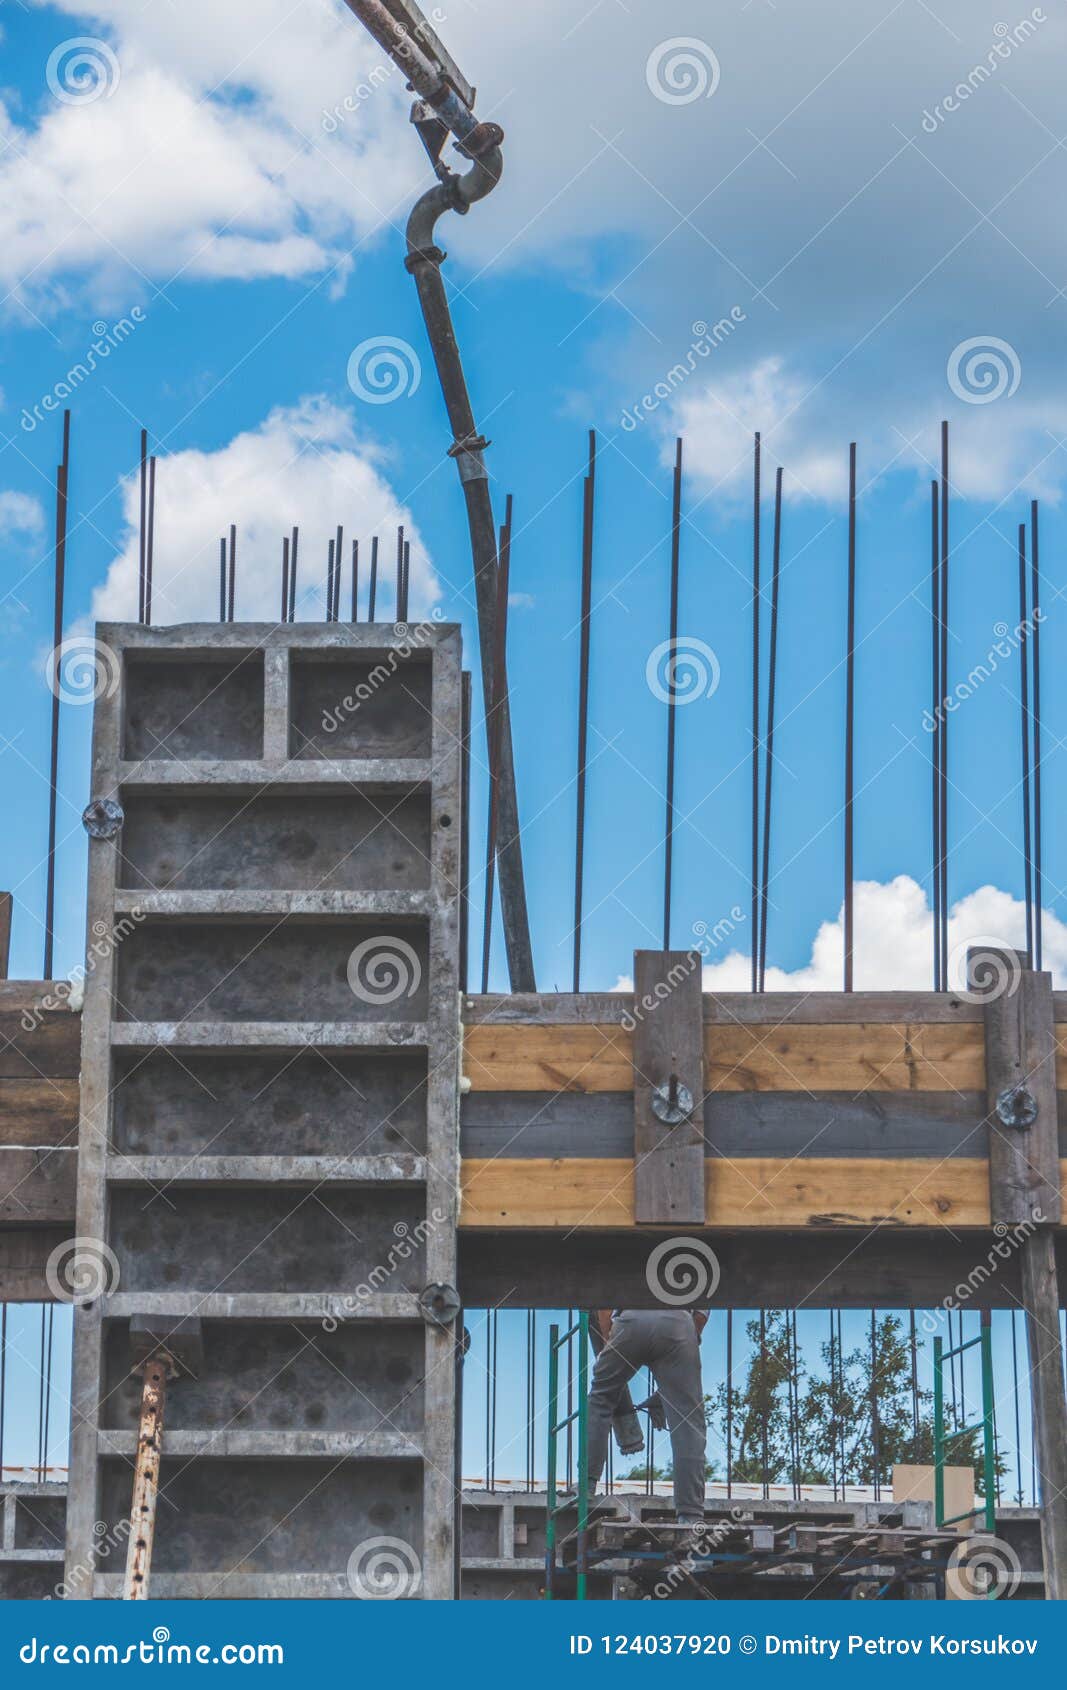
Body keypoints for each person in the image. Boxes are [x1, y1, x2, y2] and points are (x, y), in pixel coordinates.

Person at [586, 1308, 707, 1526]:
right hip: (679, 1324)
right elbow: (699, 1317)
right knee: (688, 1422)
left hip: (631, 1321)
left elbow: (602, 1309)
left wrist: (609, 1347)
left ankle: (586, 1484)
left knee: (601, 1398)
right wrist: (670, 1388)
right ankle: (690, 1515)